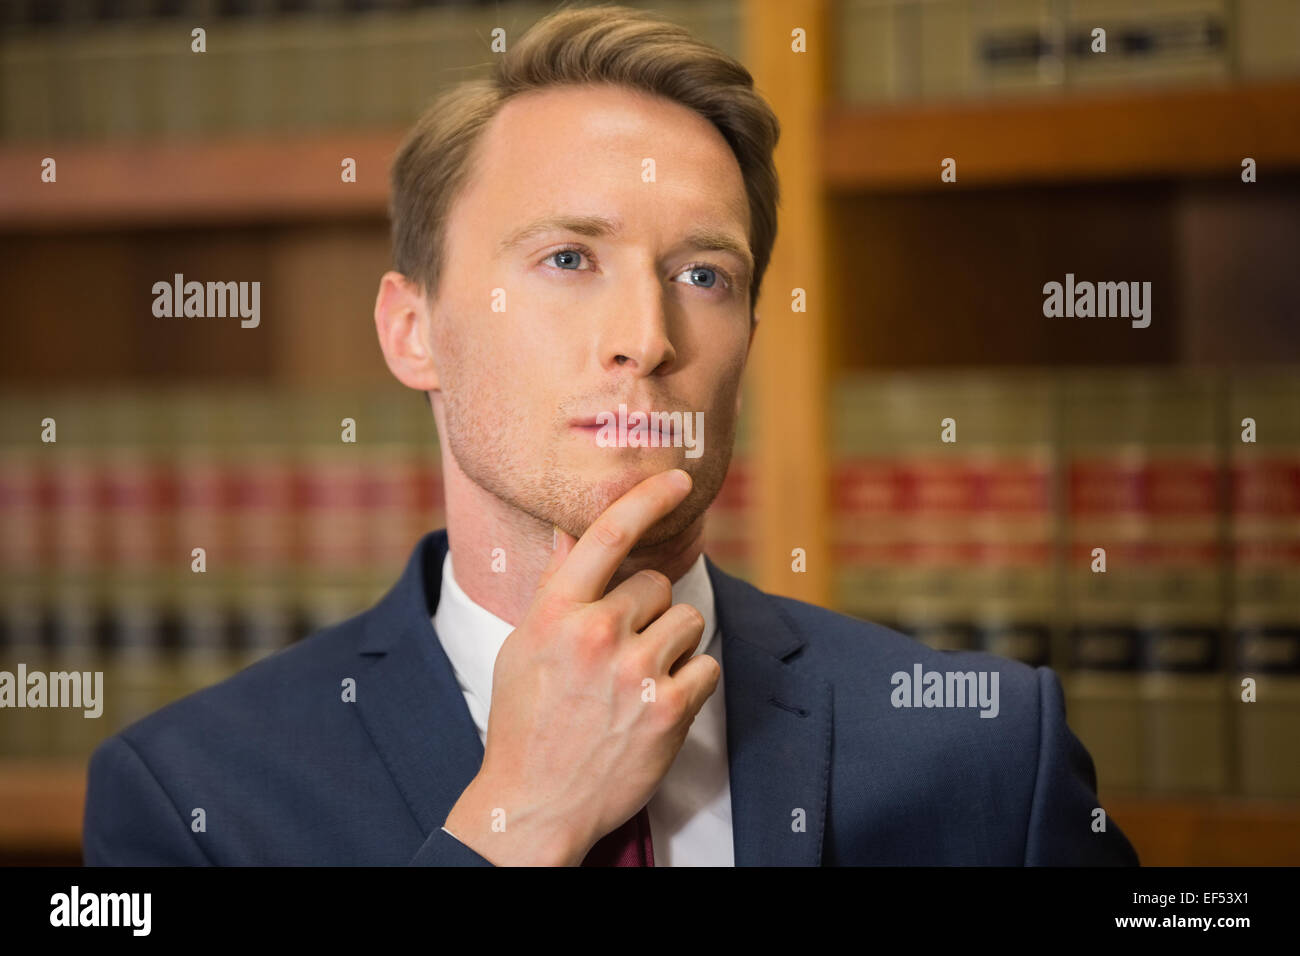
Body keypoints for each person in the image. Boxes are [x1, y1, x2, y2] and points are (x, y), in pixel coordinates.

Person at [83, 3, 1138, 866]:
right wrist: (519, 821)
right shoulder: (189, 797)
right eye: (567, 259)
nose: (645, 338)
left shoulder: (988, 749)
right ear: (414, 332)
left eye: (702, 276)